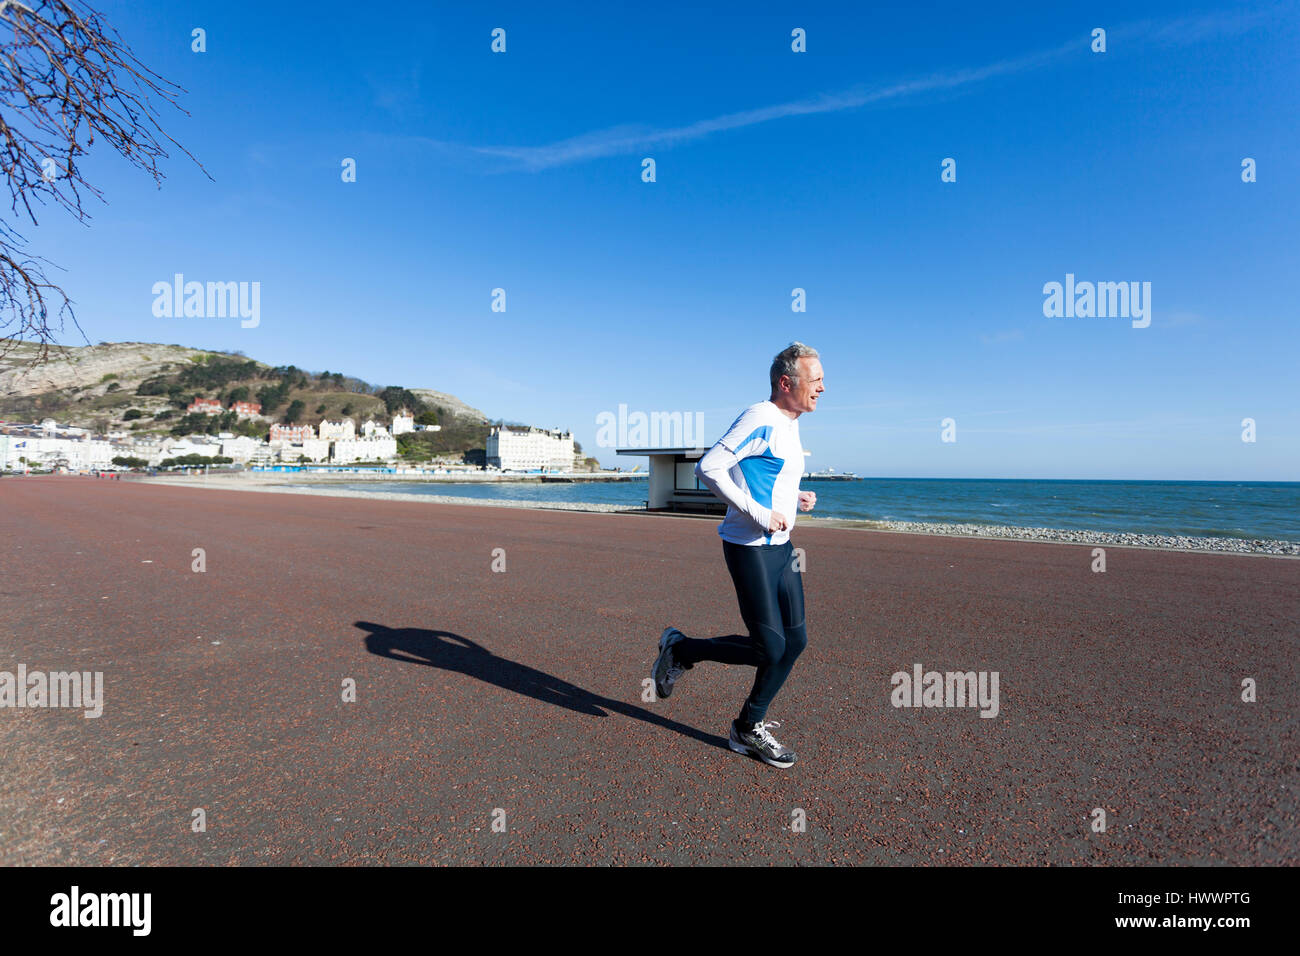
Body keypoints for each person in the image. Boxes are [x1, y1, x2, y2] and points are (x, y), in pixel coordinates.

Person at [652, 342, 823, 769]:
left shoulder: (791, 420)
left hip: (780, 548)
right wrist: (760, 512)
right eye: (815, 380)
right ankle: (681, 651)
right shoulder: (760, 417)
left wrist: (792, 495)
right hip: (749, 547)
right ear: (787, 383)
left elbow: (761, 470)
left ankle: (748, 727)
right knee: (769, 647)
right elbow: (709, 466)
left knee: (795, 641)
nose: (822, 387)